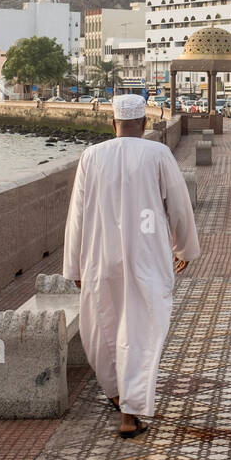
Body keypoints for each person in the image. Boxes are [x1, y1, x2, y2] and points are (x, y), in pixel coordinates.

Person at [63, 93, 200, 438]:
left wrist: (74, 268)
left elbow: (76, 217)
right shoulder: (158, 153)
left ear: (114, 125)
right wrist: (183, 248)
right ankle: (130, 410)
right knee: (140, 330)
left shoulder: (91, 156)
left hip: (99, 259)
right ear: (142, 124)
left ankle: (116, 393)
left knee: (102, 327)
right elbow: (179, 207)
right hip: (147, 259)